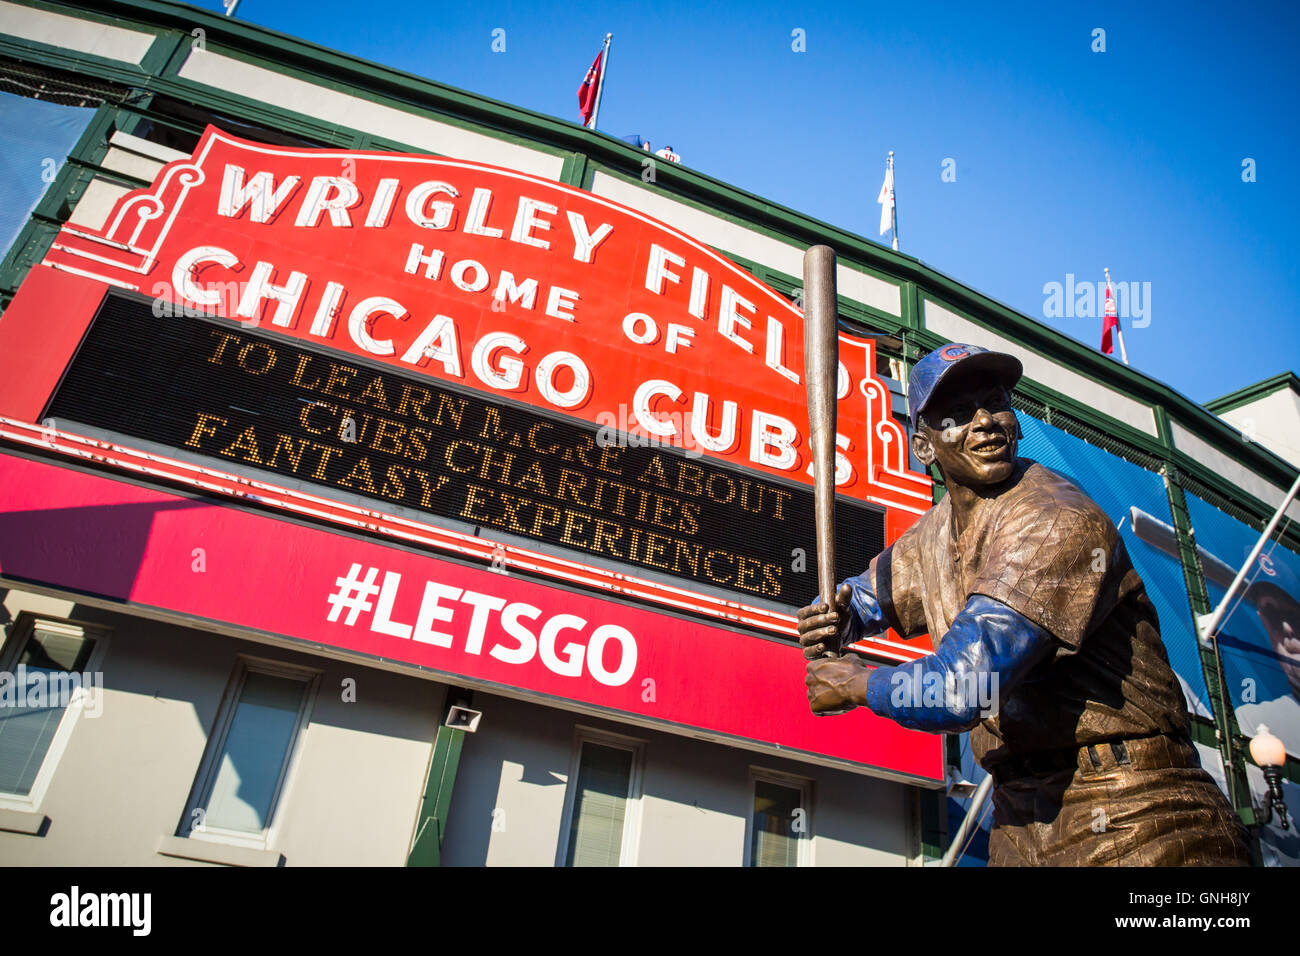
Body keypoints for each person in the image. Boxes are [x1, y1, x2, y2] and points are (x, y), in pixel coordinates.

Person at [797, 342, 1251, 866]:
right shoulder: (934, 535)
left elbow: (963, 686)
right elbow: (865, 597)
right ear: (924, 447)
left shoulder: (1054, 518)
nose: (986, 422)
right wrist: (835, 616)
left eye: (996, 404)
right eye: (960, 414)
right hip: (1020, 818)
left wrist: (856, 683)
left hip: (1137, 808)